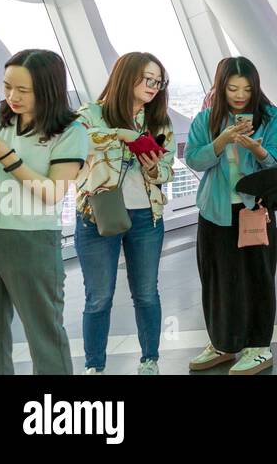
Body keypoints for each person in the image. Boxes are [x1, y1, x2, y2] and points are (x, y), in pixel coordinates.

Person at [0, 50, 87, 375]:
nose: (12, 97)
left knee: (45, 337)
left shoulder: (70, 131)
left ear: (48, 89)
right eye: (8, 87)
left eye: (23, 91)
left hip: (33, 242)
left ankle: (55, 415)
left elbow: (52, 193)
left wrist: (8, 157)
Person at [72, 53, 177, 375]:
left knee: (146, 293)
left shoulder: (159, 121)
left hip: (146, 217)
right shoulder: (91, 114)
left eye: (158, 82)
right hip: (96, 214)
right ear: (126, 75)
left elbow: (168, 172)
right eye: (148, 79)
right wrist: (121, 135)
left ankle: (150, 360)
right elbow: (74, 143)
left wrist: (154, 169)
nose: (154, 87)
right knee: (98, 297)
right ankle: (94, 367)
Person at [184, 57, 277, 375]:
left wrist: (256, 149)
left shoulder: (271, 118)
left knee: (257, 277)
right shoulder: (207, 119)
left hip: (253, 209)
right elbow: (193, 160)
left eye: (246, 88)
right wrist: (221, 141)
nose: (240, 95)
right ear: (221, 87)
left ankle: (258, 347)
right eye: (232, 88)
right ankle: (223, 342)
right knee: (216, 278)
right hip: (215, 212)